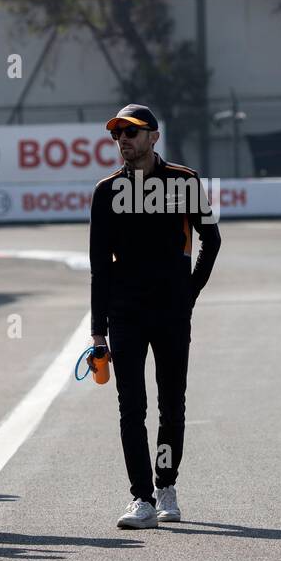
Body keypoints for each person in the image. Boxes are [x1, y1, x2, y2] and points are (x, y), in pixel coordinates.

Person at [89, 104, 221, 530]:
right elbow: (99, 267)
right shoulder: (106, 191)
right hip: (125, 314)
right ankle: (140, 497)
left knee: (171, 406)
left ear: (153, 137)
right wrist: (98, 331)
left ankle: (166, 485)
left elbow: (211, 239)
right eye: (117, 134)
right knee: (131, 408)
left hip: (171, 312)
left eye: (132, 131)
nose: (123, 139)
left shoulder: (184, 181)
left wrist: (191, 291)